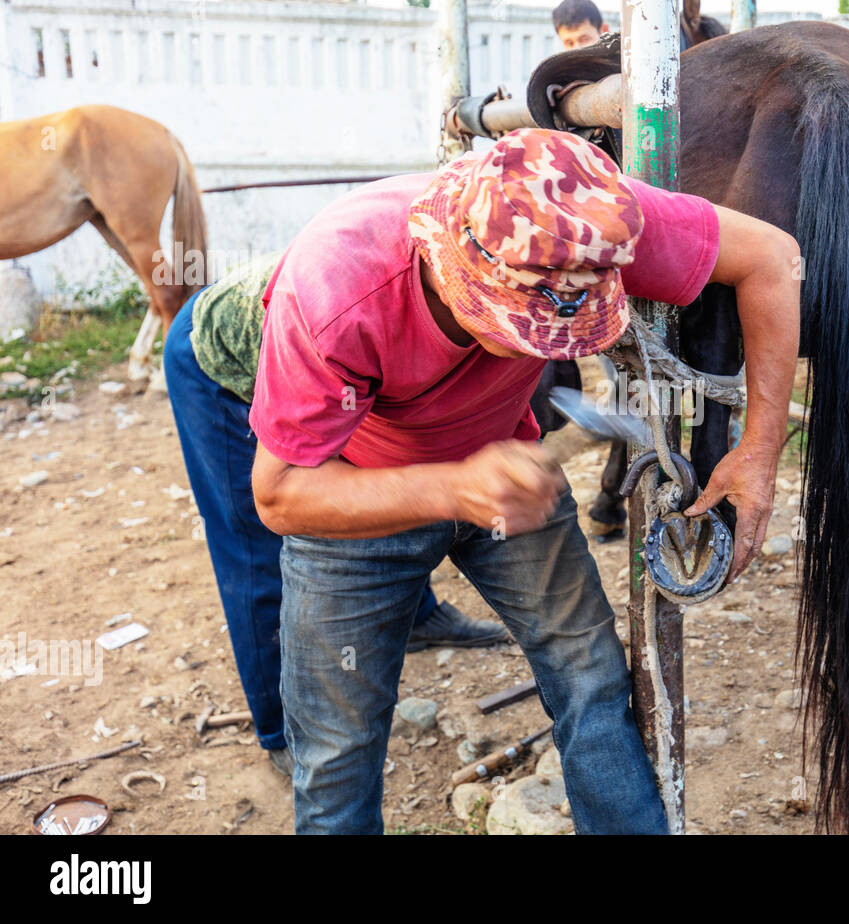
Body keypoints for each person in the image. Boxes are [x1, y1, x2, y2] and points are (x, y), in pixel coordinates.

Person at [242, 129, 800, 834]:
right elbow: (281, 493)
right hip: (352, 494)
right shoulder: (335, 286)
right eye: (529, 331)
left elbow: (775, 259)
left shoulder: (593, 223)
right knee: (337, 750)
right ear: (452, 268)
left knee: (591, 679)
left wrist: (759, 448)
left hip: (511, 475)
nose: (549, 352)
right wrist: (452, 489)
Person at [164, 258, 509, 778]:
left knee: (382, 476)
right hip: (218, 359)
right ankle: (282, 729)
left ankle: (420, 616)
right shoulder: (356, 314)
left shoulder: (470, 302)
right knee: (259, 542)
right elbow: (280, 500)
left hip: (323, 356)